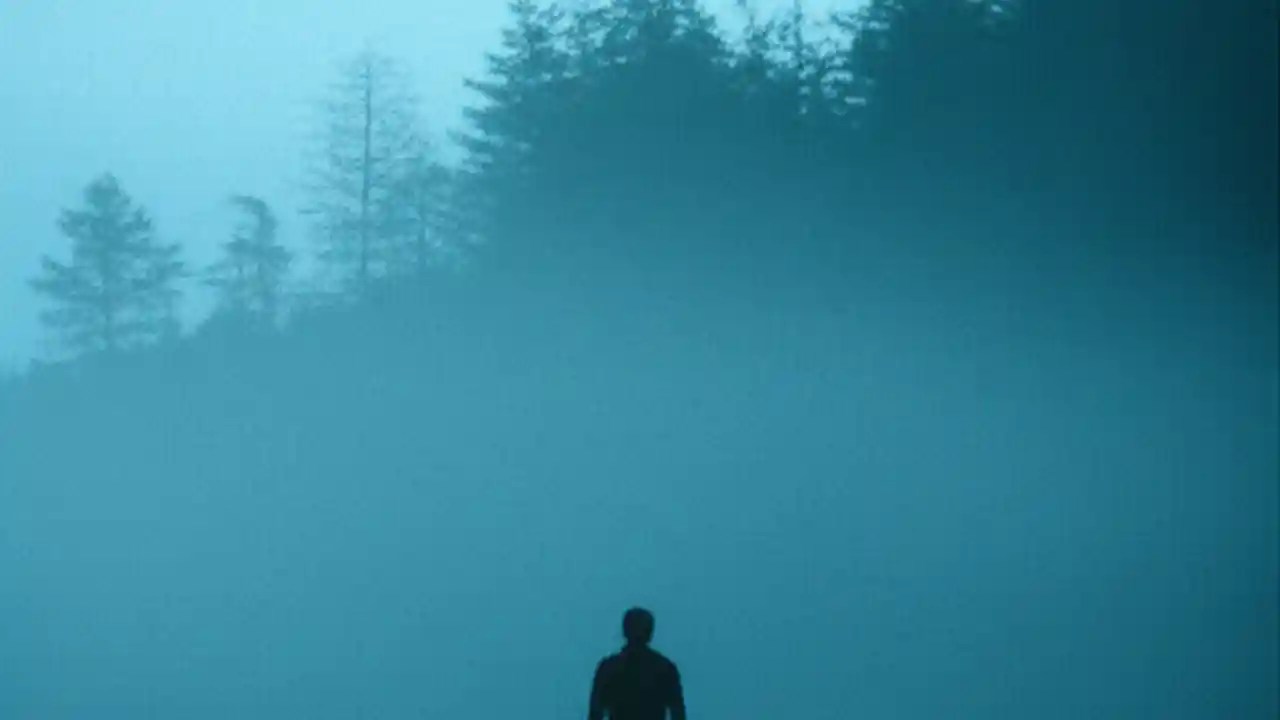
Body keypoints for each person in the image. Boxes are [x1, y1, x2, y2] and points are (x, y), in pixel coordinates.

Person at [588, 607, 687, 720]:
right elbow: (678, 714)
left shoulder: (608, 668)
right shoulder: (665, 668)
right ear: (650, 633)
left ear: (625, 631)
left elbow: (595, 714)